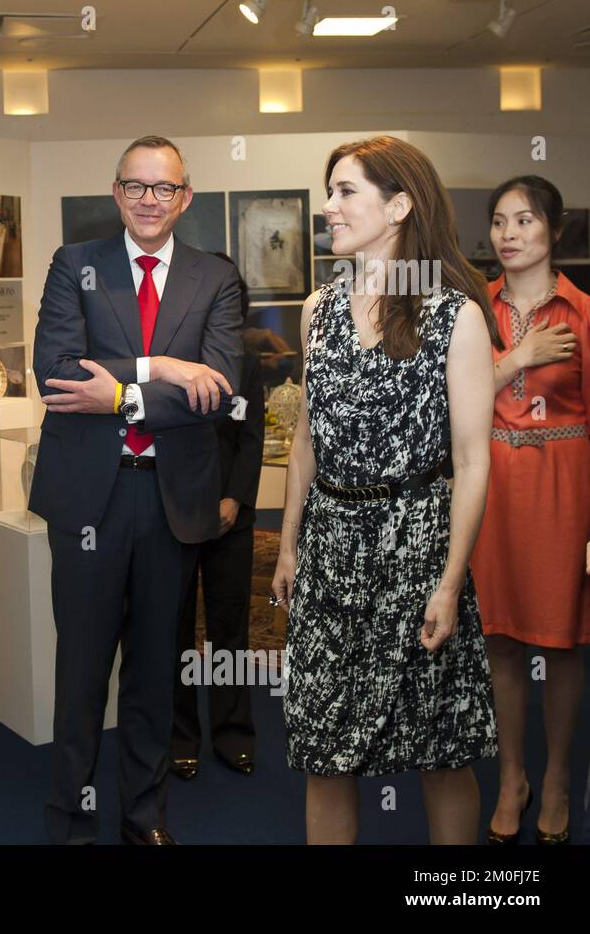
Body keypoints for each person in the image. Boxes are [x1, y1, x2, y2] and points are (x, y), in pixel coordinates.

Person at [271, 135, 503, 845]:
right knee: (323, 754)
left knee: (438, 753)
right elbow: (307, 442)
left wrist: (449, 581)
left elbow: (472, 460)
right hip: (331, 552)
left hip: (419, 554)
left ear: (399, 205)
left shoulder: (453, 315)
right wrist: (287, 547)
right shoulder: (317, 311)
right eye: (330, 190)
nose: (328, 207)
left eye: (346, 191)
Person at [29, 135, 242, 845]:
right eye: (136, 186)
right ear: (117, 193)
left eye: (165, 188)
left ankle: (143, 818)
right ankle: (70, 822)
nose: (150, 200)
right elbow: (58, 375)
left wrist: (118, 392)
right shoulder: (75, 265)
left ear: (186, 197)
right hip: (91, 500)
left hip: (170, 504)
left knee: (155, 674)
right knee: (82, 674)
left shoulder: (216, 278)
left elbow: (217, 391)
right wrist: (162, 365)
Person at [471, 175, 589, 845]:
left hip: (564, 489)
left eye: (524, 220)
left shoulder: (582, 312)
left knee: (565, 641)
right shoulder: (471, 310)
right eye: (498, 221)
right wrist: (520, 356)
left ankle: (558, 779)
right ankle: (513, 775)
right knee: (500, 639)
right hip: (492, 485)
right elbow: (455, 399)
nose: (509, 234)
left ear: (553, 229)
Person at [171, 257, 264, 780]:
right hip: (175, 511)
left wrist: (235, 498)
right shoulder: (169, 356)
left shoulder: (246, 361)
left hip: (231, 515)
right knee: (175, 629)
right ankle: (180, 737)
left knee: (230, 629)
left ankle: (233, 735)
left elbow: (250, 437)